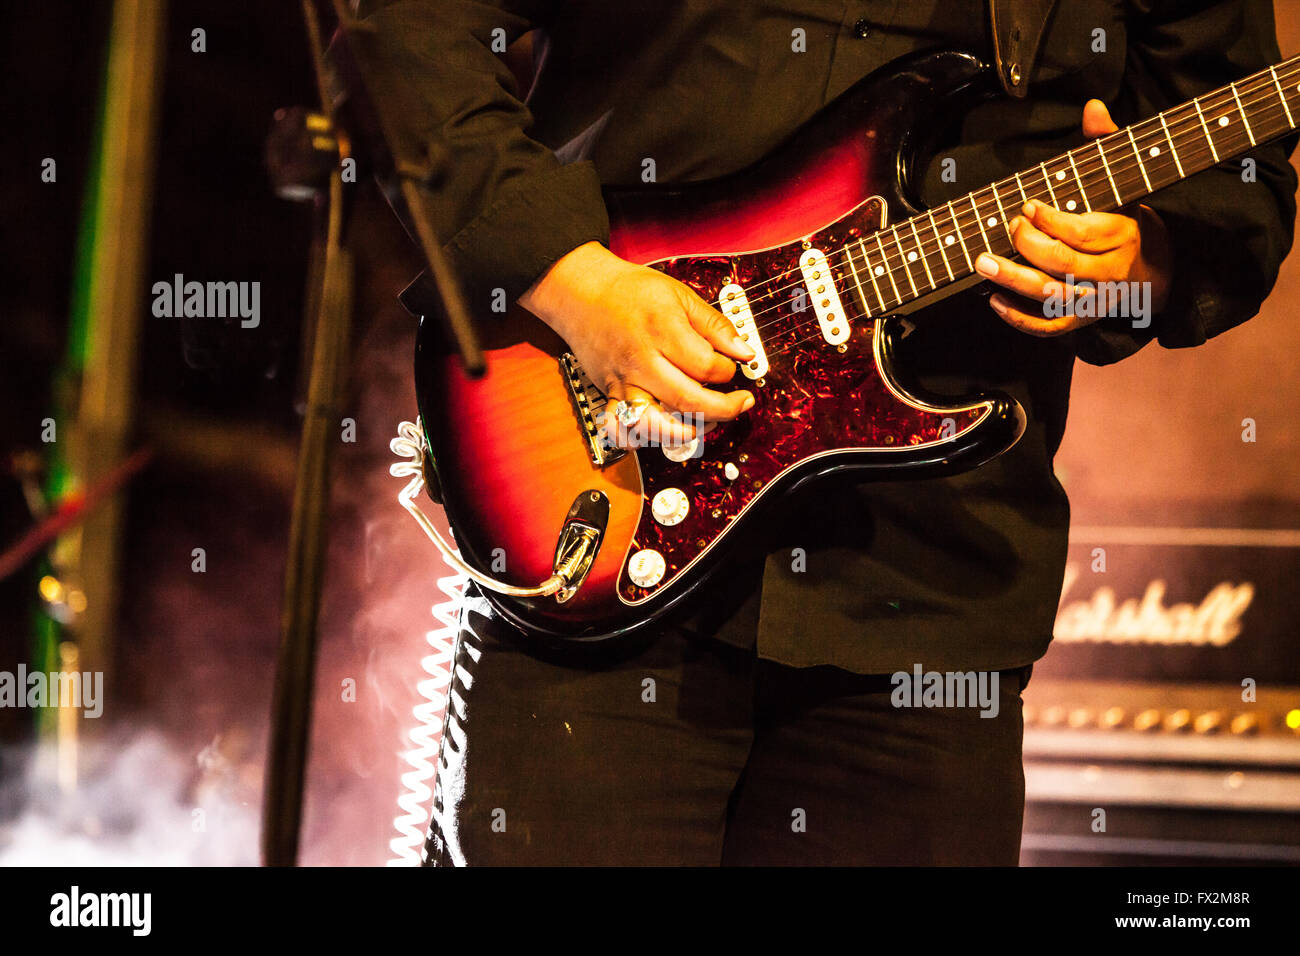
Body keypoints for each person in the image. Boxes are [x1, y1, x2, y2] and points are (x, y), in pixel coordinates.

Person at [360, 0, 1298, 864]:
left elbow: (1235, 175)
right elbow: (409, 31)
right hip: (599, 517)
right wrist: (571, 280)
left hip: (931, 600)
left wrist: (1147, 262)